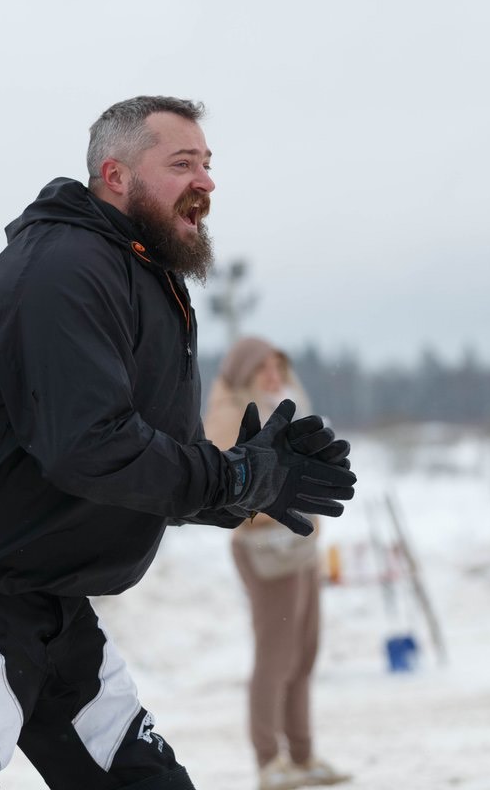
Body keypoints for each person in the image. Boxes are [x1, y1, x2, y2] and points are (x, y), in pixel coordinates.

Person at [0, 96, 357, 790]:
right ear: (115, 175)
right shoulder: (66, 268)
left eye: (207, 165)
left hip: (48, 592)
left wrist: (244, 484)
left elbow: (141, 463)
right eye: (182, 164)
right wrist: (228, 481)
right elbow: (89, 446)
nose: (205, 182)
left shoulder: (144, 278)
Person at [204, 337, 351, 790]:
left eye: (278, 366)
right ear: (243, 372)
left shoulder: (281, 409)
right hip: (266, 552)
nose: (273, 376)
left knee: (304, 654)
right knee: (275, 657)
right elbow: (225, 494)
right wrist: (278, 501)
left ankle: (302, 756)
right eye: (263, 368)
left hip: (298, 547)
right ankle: (270, 761)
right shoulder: (233, 415)